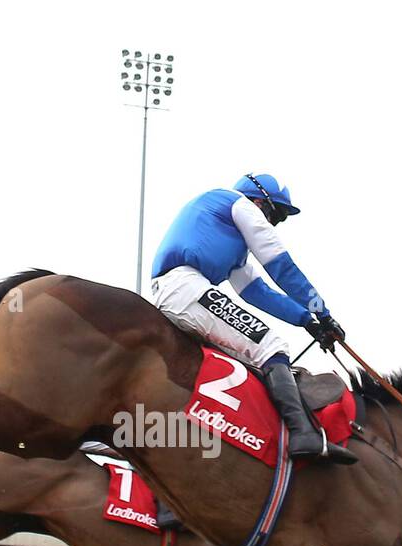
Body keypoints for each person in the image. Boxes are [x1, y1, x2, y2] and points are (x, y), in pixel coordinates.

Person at [150, 173, 357, 470]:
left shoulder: (231, 243)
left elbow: (257, 293)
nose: (274, 224)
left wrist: (307, 322)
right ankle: (302, 434)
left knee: (243, 366)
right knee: (270, 347)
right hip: (186, 288)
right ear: (259, 201)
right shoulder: (239, 204)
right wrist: (322, 313)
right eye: (276, 215)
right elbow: (281, 267)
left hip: (182, 291)